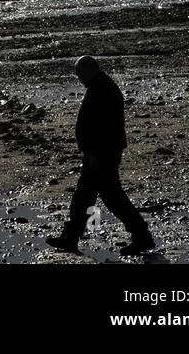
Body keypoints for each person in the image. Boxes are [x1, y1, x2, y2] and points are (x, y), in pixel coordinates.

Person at [46, 56, 155, 256]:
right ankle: (71, 237)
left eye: (79, 74)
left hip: (102, 153)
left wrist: (95, 153)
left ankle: (142, 236)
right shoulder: (101, 86)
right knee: (84, 196)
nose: (78, 78)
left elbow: (105, 127)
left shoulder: (102, 89)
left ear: (88, 70)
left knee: (112, 198)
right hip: (97, 152)